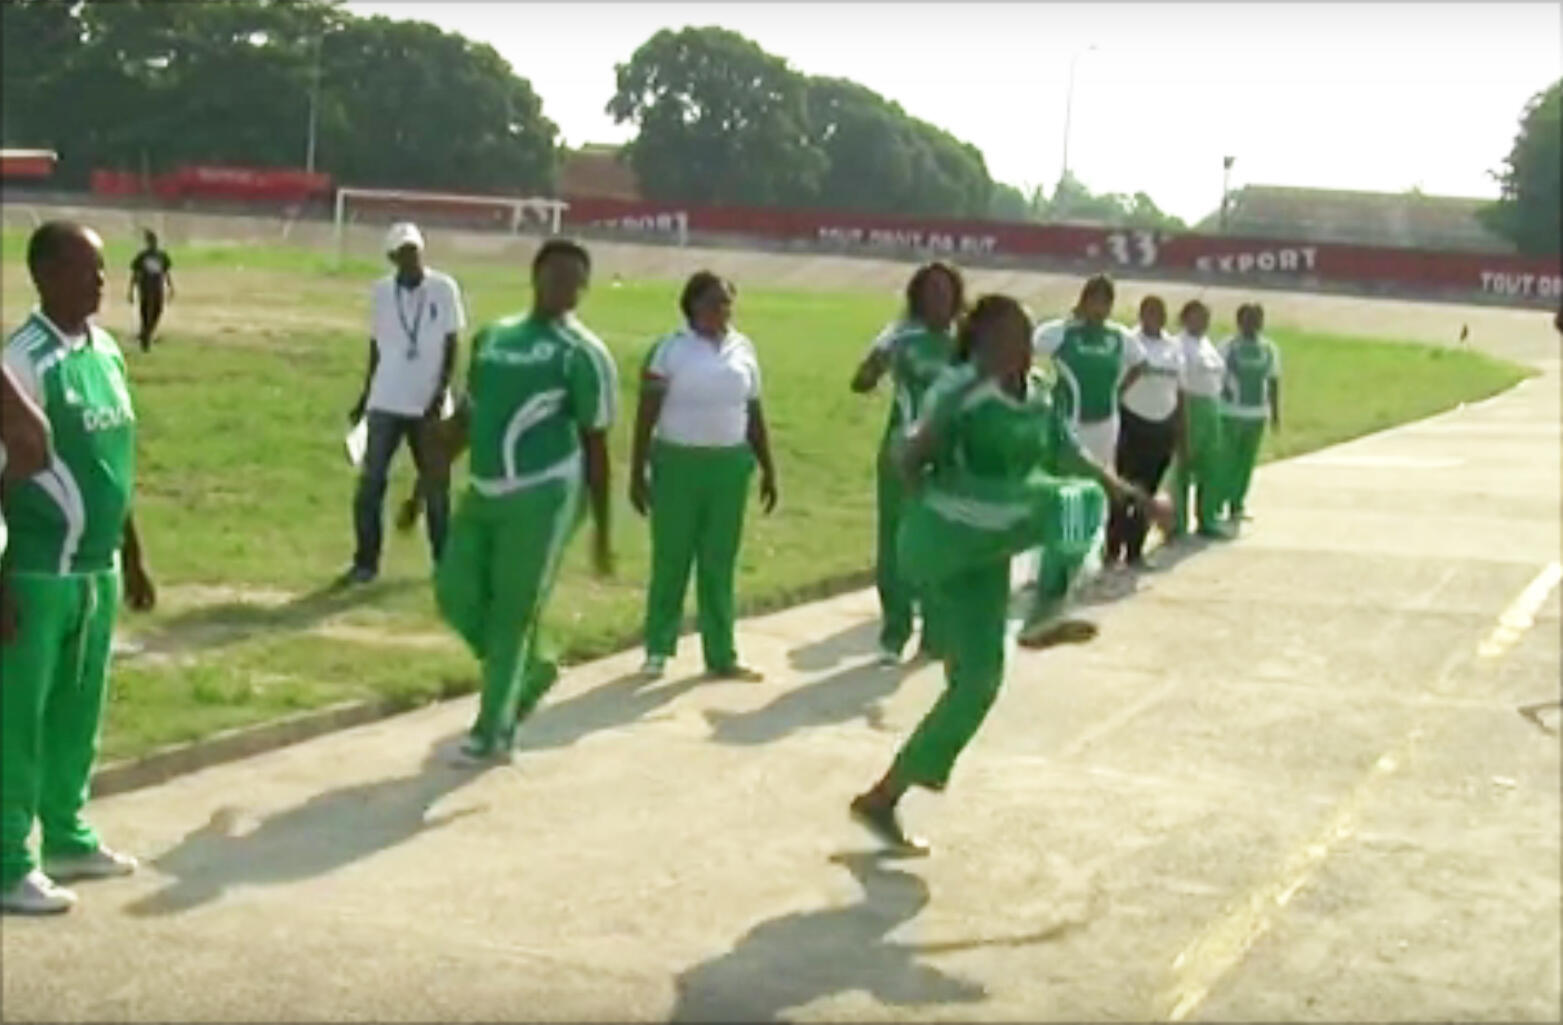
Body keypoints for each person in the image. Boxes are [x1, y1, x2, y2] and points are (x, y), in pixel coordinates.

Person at [849, 295, 1170, 854]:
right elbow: (909, 453)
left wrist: (1137, 497)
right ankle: (1045, 610)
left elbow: (1071, 455)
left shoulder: (1041, 395)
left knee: (979, 682)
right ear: (979, 344)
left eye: (1022, 335)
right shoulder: (961, 391)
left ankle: (884, 796)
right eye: (1002, 338)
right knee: (1068, 502)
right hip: (949, 531)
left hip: (988, 547)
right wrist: (924, 494)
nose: (1016, 347)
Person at [2, 221, 157, 915]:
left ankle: (67, 833)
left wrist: (135, 554)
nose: (103, 280)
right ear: (47, 274)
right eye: (88, 269)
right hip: (36, 571)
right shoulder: (21, 361)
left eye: (103, 269)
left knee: (77, 715)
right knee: (17, 720)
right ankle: (9, 860)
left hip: (98, 570)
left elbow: (114, 463)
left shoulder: (107, 354)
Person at [432, 238, 617, 765]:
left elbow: (597, 445)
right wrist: (429, 471)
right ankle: (526, 672)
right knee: (454, 591)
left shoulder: (583, 354)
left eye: (578, 280)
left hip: (545, 495)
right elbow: (471, 415)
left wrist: (601, 530)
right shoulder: (494, 338)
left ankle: (494, 732)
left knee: (513, 614)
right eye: (558, 275)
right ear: (536, 275)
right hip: (484, 490)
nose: (567, 288)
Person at [630, 272, 778, 682]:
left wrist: (768, 466)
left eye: (728, 303)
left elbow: (754, 412)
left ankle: (721, 653)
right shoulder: (670, 350)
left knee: (719, 562)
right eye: (714, 302)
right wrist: (637, 470)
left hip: (729, 466)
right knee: (672, 558)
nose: (722, 311)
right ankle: (658, 648)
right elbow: (646, 414)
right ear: (692, 305)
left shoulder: (743, 348)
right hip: (677, 464)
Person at [849, 261, 962, 666]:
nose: (939, 299)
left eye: (946, 292)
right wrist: (874, 366)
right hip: (901, 453)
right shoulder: (900, 335)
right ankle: (894, 633)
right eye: (931, 292)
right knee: (896, 543)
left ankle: (936, 634)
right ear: (917, 296)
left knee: (941, 544)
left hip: (948, 458)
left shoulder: (964, 340)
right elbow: (860, 381)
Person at [344, 222, 466, 585]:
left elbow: (451, 343)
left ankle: (446, 563)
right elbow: (376, 346)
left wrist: (441, 392)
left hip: (428, 404)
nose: (412, 259)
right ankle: (366, 562)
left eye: (415, 251)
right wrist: (365, 397)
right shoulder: (381, 292)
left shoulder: (443, 289)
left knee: (435, 486)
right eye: (404, 254)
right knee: (370, 484)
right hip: (387, 399)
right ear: (393, 258)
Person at [1032, 274, 1145, 569]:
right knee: (1064, 489)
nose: (1100, 308)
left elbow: (1140, 363)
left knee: (1099, 488)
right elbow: (1028, 348)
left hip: (1106, 424)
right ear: (1084, 300)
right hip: (1070, 423)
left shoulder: (1118, 336)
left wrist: (1119, 391)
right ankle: (1048, 559)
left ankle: (1088, 557)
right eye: (1095, 300)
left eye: (1106, 302)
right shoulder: (1062, 333)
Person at [1107, 295, 1183, 567]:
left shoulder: (1173, 346)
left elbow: (1179, 390)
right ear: (1141, 314)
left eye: (1160, 312)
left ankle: (1135, 550)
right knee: (1123, 489)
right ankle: (1112, 549)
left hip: (1162, 426)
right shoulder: (1130, 342)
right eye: (1150, 312)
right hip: (1132, 423)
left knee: (1148, 491)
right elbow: (1117, 382)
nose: (1155, 317)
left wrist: (1179, 427)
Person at [1170, 300, 1230, 540]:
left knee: (1210, 465)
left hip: (1211, 407)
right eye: (1197, 317)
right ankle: (1178, 524)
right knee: (1183, 466)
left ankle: (1207, 517)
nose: (1203, 322)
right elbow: (1179, 385)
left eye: (1206, 317)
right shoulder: (1178, 345)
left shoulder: (1207, 344)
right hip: (1190, 406)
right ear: (1185, 318)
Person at [1219, 303, 1282, 525]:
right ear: (1238, 321)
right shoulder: (1228, 347)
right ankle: (1217, 502)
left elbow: (1273, 381)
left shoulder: (1269, 349)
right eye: (1247, 319)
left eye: (1256, 319)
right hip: (1231, 413)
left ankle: (1237, 503)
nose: (1252, 324)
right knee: (1227, 460)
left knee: (1246, 462)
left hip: (1257, 413)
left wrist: (1275, 414)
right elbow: (1218, 377)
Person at [127, 229, 174, 353]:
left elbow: (166, 273)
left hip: (158, 289)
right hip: (145, 289)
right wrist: (130, 290)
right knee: (145, 312)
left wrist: (171, 287)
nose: (153, 243)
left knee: (157, 311)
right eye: (151, 240)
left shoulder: (161, 256)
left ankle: (146, 334)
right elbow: (135, 274)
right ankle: (146, 339)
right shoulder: (142, 256)